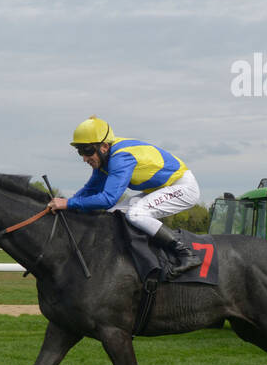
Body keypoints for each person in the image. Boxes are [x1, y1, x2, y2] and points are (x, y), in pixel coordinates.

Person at [47, 117, 203, 278]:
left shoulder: (120, 158)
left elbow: (108, 199)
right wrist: (61, 204)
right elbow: (90, 189)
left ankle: (185, 254)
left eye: (87, 151)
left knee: (136, 214)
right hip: (161, 189)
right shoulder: (105, 160)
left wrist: (68, 204)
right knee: (112, 215)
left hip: (182, 187)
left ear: (104, 147)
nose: (84, 158)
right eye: (80, 152)